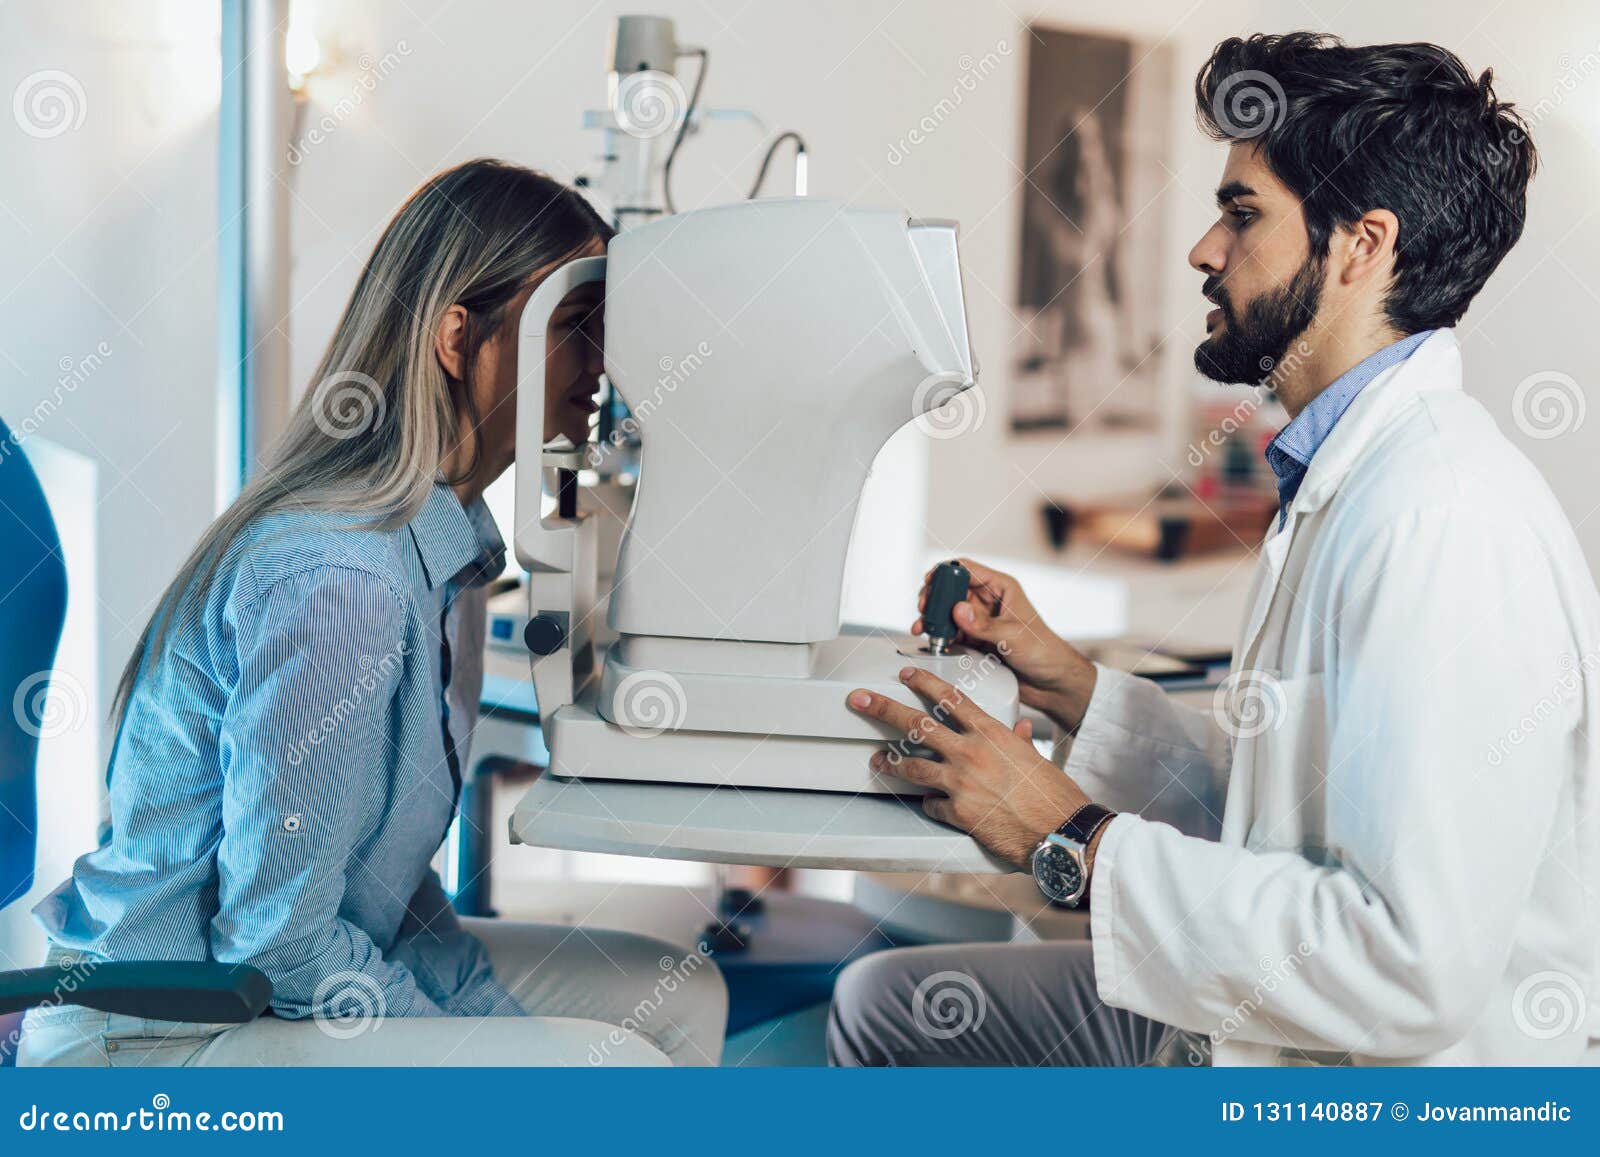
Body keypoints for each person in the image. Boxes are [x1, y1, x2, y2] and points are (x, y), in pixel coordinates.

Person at [831, 33, 1599, 1067]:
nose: (1202, 249)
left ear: (1360, 246)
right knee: (887, 999)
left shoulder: (1441, 521)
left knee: (896, 1015)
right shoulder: (1352, 473)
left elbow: (1409, 970)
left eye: (1241, 215)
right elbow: (1284, 813)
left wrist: (1072, 836)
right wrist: (1075, 689)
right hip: (1286, 1034)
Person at [19, 159, 725, 1068]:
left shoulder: (446, 552)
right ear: (458, 338)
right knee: (616, 1071)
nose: (601, 364)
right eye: (574, 323)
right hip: (165, 1031)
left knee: (679, 997)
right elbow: (276, 945)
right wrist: (486, 1047)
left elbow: (379, 888)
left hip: (279, 978)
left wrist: (491, 1022)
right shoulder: (341, 580)